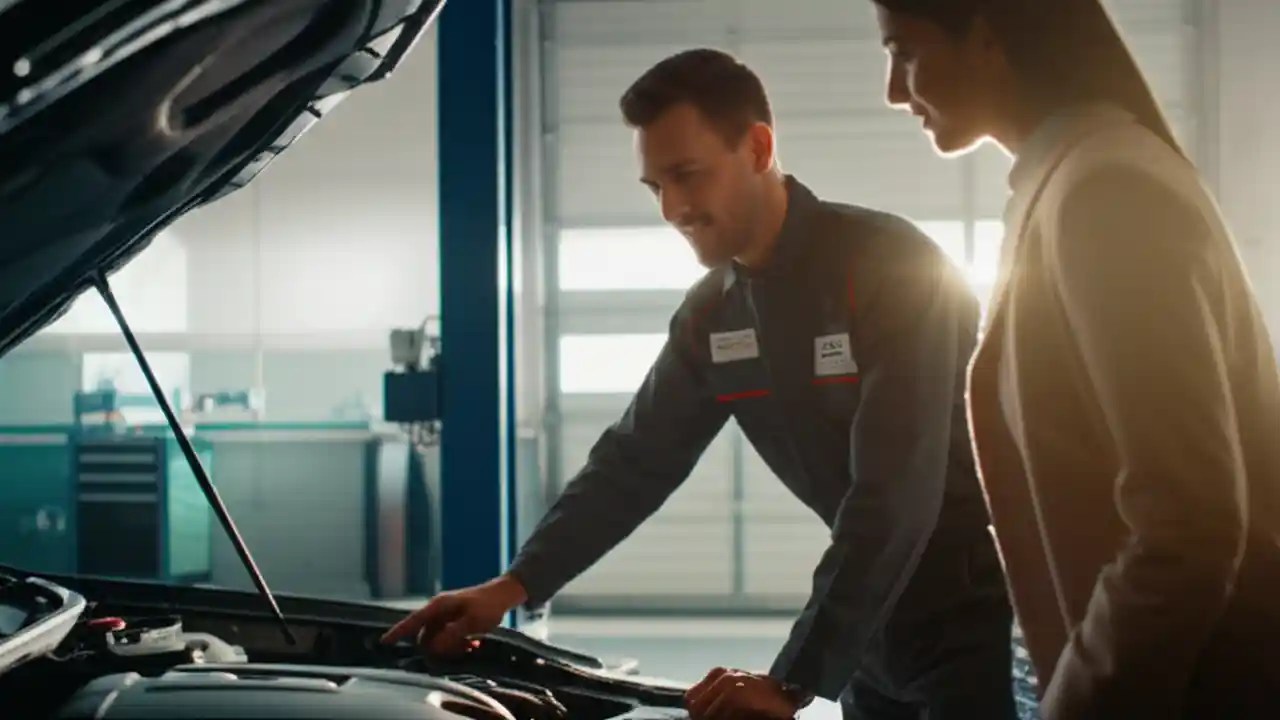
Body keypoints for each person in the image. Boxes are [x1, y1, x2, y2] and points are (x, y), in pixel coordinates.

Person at [383, 48, 1018, 720]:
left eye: (688, 175)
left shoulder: (894, 267)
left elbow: (896, 494)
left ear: (759, 147)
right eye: (656, 187)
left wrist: (794, 678)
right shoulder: (715, 310)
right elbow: (634, 462)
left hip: (982, 625)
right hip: (873, 636)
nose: (674, 209)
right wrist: (514, 585)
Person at [869, 1, 1280, 718]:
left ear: (990, 37)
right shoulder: (1067, 183)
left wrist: (1082, 702)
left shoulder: (1106, 192)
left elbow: (1190, 522)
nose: (894, 91)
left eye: (904, 51)